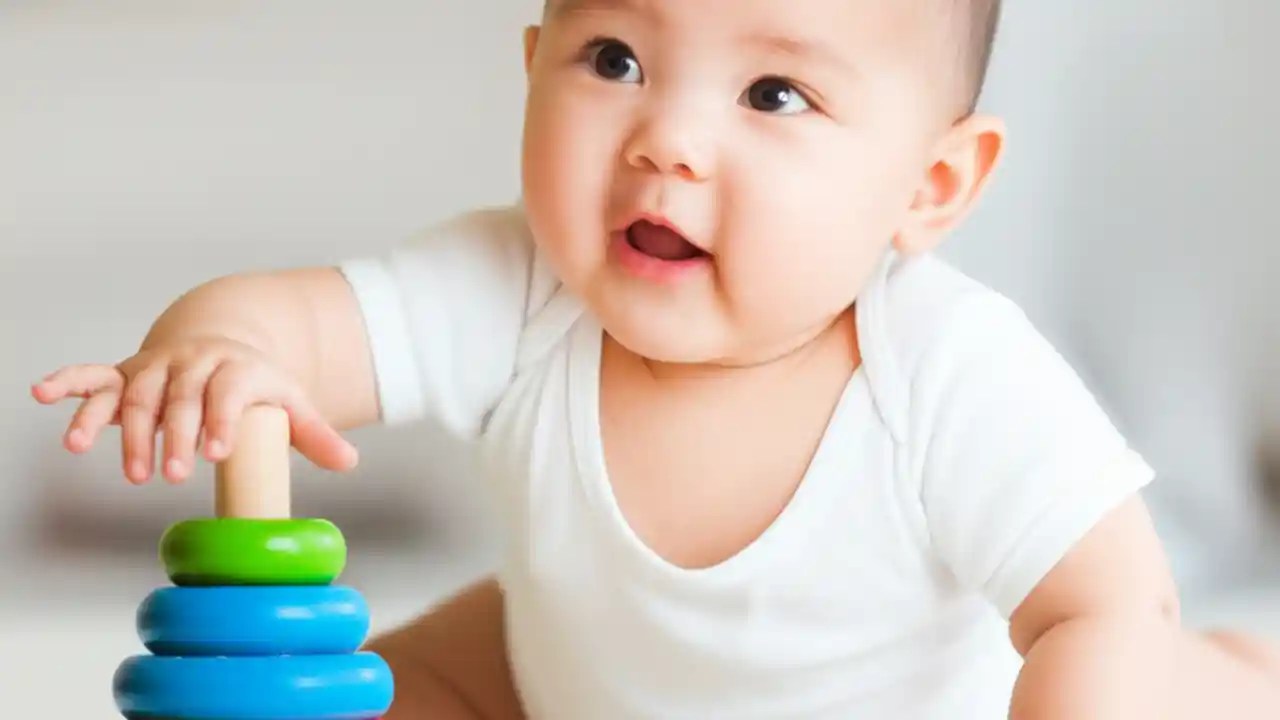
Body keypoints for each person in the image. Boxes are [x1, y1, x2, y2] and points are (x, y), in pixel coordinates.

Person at [31, 0, 1280, 717]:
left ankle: (1232, 677)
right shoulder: (521, 286)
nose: (666, 139)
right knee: (400, 681)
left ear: (929, 184)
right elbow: (298, 328)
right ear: (533, 64)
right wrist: (218, 352)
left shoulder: (944, 373)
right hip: (579, 672)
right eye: (613, 59)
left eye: (774, 94)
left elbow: (1106, 600)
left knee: (1148, 684)